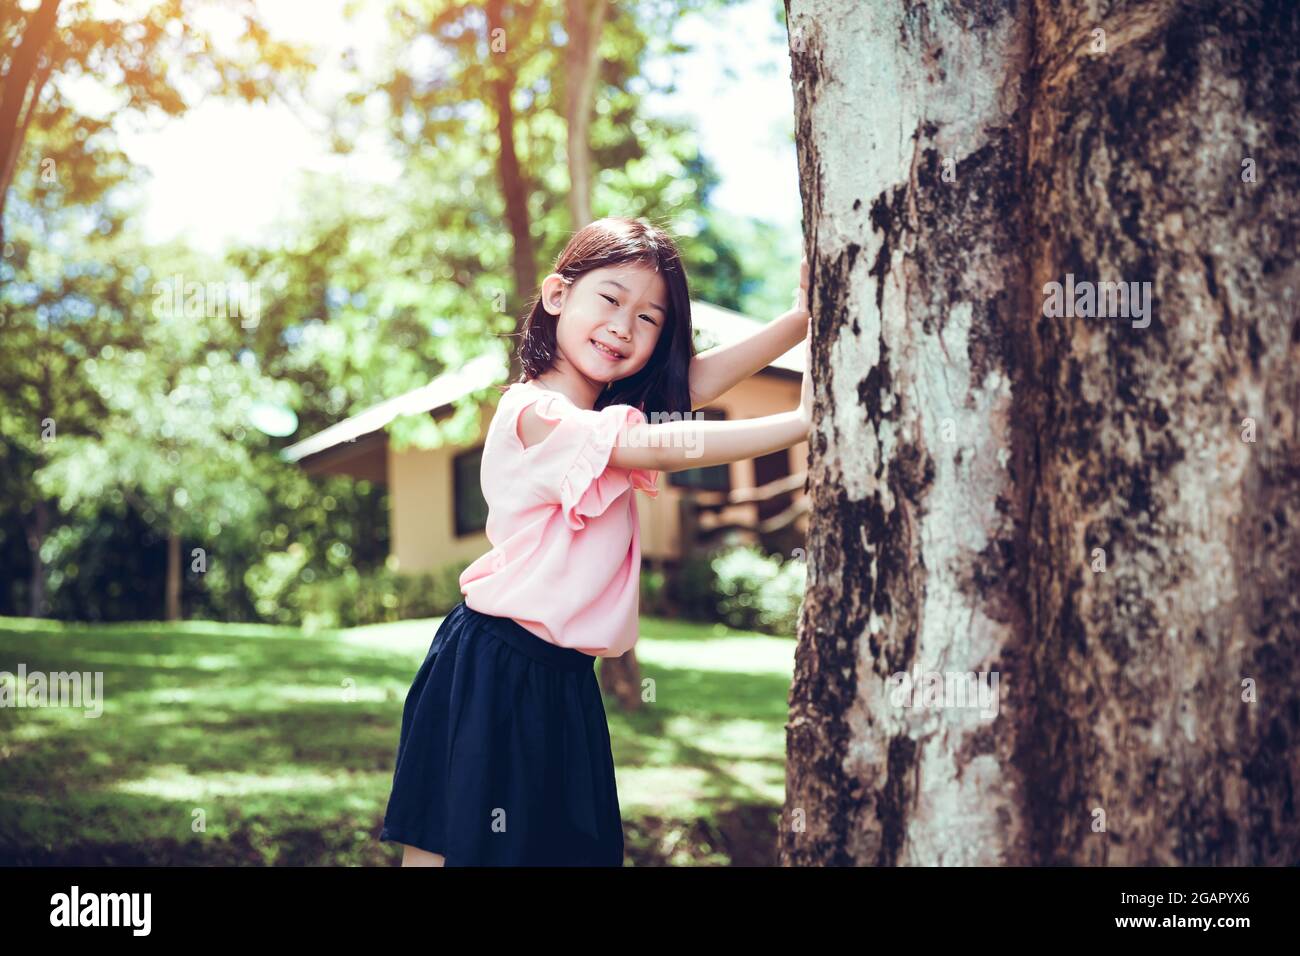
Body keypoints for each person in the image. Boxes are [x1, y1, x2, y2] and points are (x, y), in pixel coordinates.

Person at [379, 216, 813, 866]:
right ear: (558, 296)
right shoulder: (535, 413)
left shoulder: (596, 412)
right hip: (495, 662)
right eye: (610, 300)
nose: (622, 326)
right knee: (451, 847)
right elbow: (654, 443)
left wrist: (798, 322)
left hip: (564, 678)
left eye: (649, 318)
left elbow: (690, 385)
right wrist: (800, 424)